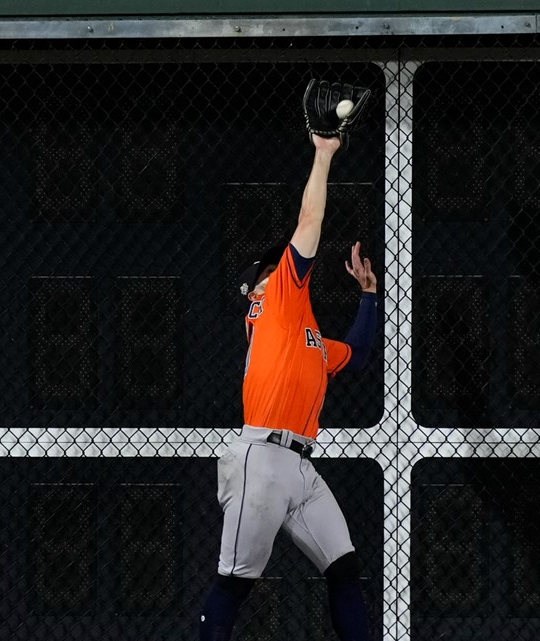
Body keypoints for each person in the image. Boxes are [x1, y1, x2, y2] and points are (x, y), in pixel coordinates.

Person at [198, 132, 379, 641]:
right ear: (261, 285)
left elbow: (358, 355)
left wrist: (368, 296)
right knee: (233, 584)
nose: (290, 266)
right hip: (260, 457)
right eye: (276, 268)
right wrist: (323, 155)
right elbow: (309, 221)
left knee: (343, 570)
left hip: (298, 466)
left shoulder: (309, 339)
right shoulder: (276, 298)